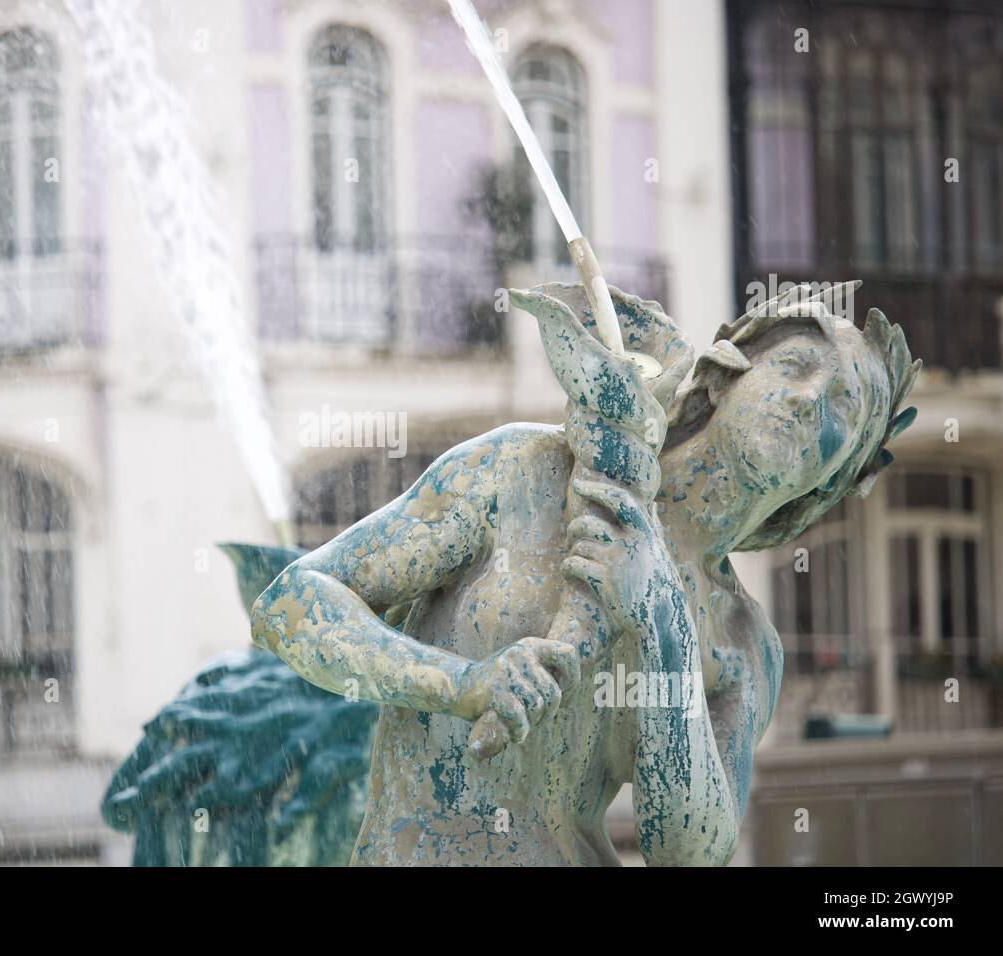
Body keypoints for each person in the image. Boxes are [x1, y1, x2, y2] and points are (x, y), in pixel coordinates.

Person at [251, 280, 919, 866]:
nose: (808, 401)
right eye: (795, 367)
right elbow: (289, 605)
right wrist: (461, 685)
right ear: (721, 377)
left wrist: (661, 623)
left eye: (842, 407)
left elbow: (689, 852)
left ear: (834, 476)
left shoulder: (742, 645)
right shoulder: (520, 473)